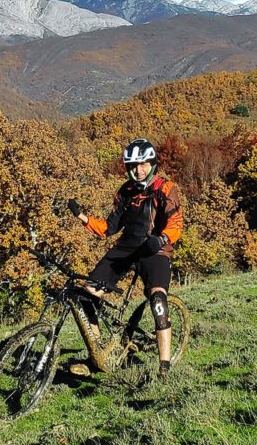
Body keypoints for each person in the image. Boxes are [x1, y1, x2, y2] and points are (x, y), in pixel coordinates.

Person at [67, 138, 183, 377]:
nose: (138, 170)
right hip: (126, 247)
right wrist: (83, 218)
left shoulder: (165, 189)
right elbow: (109, 227)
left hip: (155, 250)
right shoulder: (125, 191)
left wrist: (161, 239)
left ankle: (165, 364)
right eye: (133, 166)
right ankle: (96, 356)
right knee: (87, 295)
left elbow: (176, 224)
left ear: (152, 163)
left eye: (143, 164)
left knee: (158, 302)